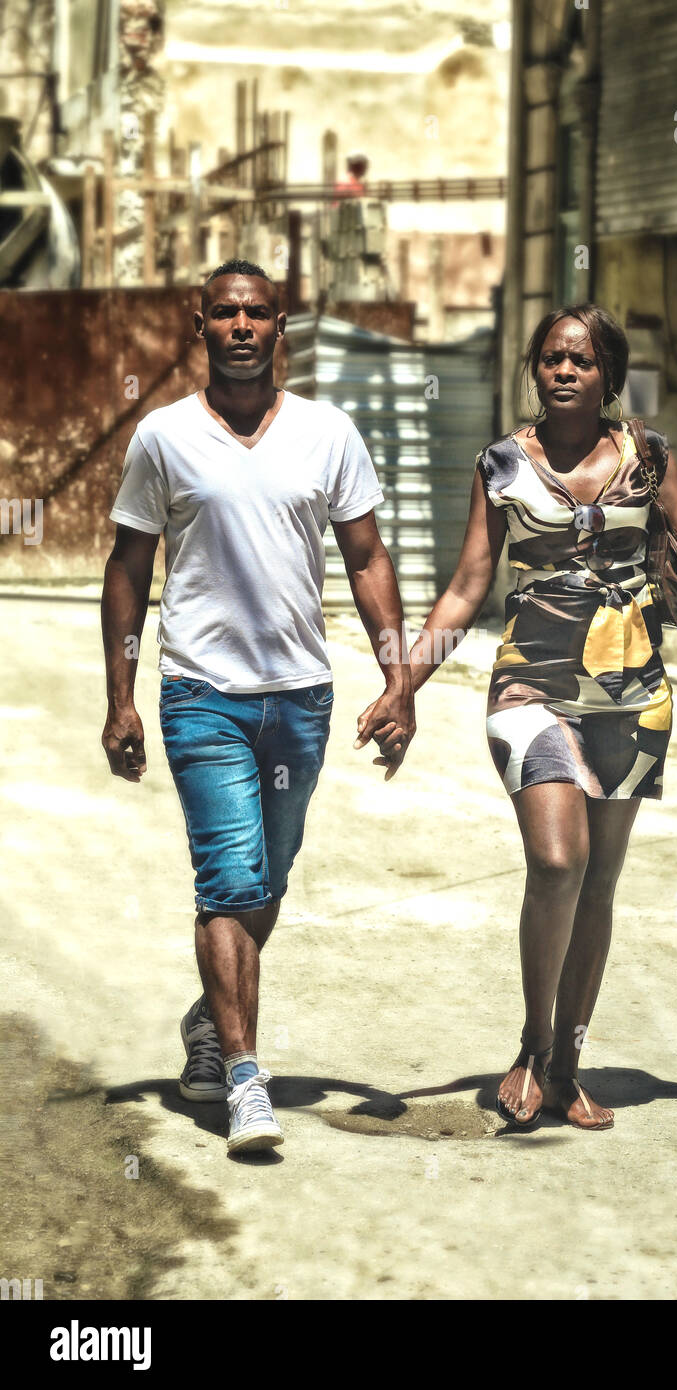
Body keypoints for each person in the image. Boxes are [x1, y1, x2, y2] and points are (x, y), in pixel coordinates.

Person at [406, 303, 677, 1131]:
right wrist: (403, 684)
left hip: (632, 695)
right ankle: (531, 1043)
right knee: (558, 863)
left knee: (599, 885)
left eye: (581, 360)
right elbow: (469, 583)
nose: (563, 370)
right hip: (532, 687)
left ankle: (568, 1063)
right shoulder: (501, 464)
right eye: (550, 357)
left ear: (607, 375)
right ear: (535, 369)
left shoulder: (649, 458)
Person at [101, 259, 414, 1155]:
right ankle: (245, 1077)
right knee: (230, 881)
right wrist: (121, 697)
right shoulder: (162, 437)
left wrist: (398, 680)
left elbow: (366, 558)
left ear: (284, 327)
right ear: (199, 324)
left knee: (267, 882)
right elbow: (128, 567)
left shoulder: (328, 433)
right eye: (226, 313)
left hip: (300, 699)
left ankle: (211, 1019)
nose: (242, 326)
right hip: (201, 693)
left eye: (259, 314)